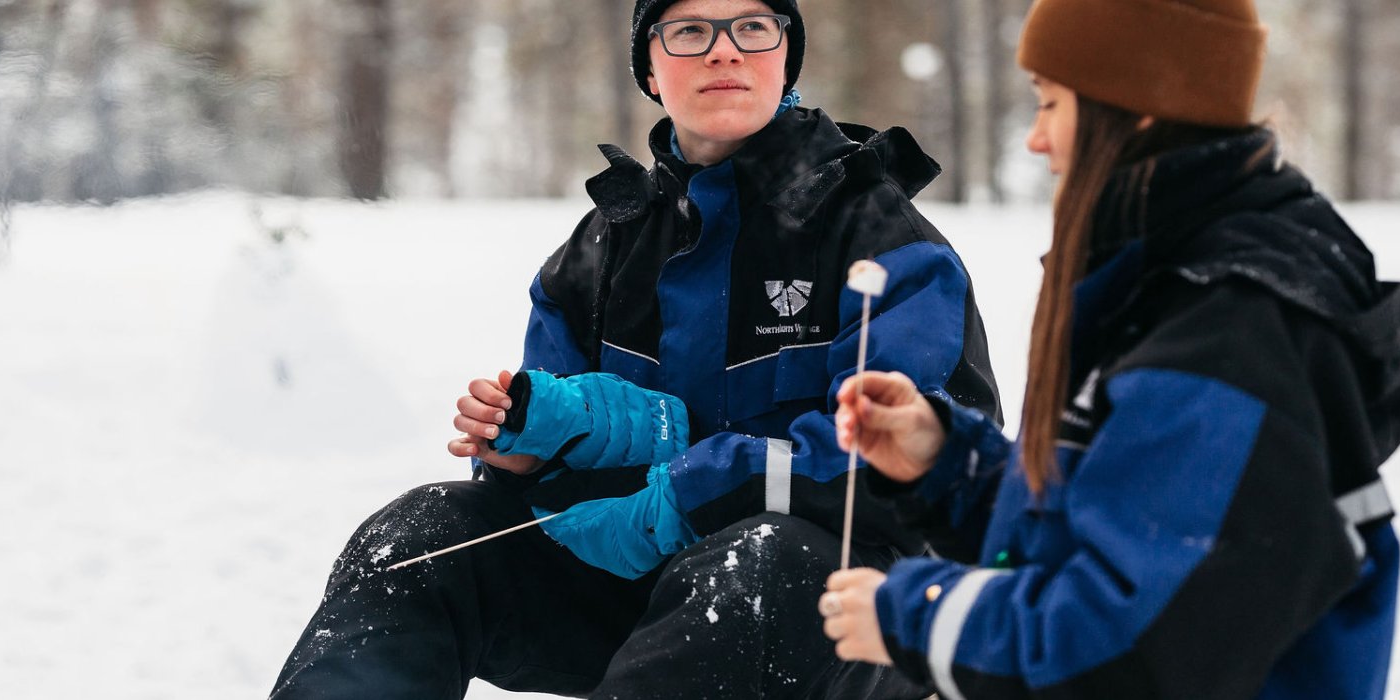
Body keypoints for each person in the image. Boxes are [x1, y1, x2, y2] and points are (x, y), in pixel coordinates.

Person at [273, 0, 997, 696]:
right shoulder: (606, 244)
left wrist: (706, 486)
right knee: (417, 541)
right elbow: (558, 472)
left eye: (753, 27)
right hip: (647, 592)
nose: (724, 49)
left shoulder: (880, 237)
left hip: (851, 603)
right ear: (650, 70)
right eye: (687, 30)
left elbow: (920, 471)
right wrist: (524, 455)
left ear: (786, 57)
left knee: (754, 567)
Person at [821, 0, 1400, 698]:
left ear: (1138, 107)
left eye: (1050, 105)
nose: (1035, 140)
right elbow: (1121, 520)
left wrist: (913, 617)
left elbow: (1134, 652)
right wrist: (946, 464)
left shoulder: (1226, 333)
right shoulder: (1161, 282)